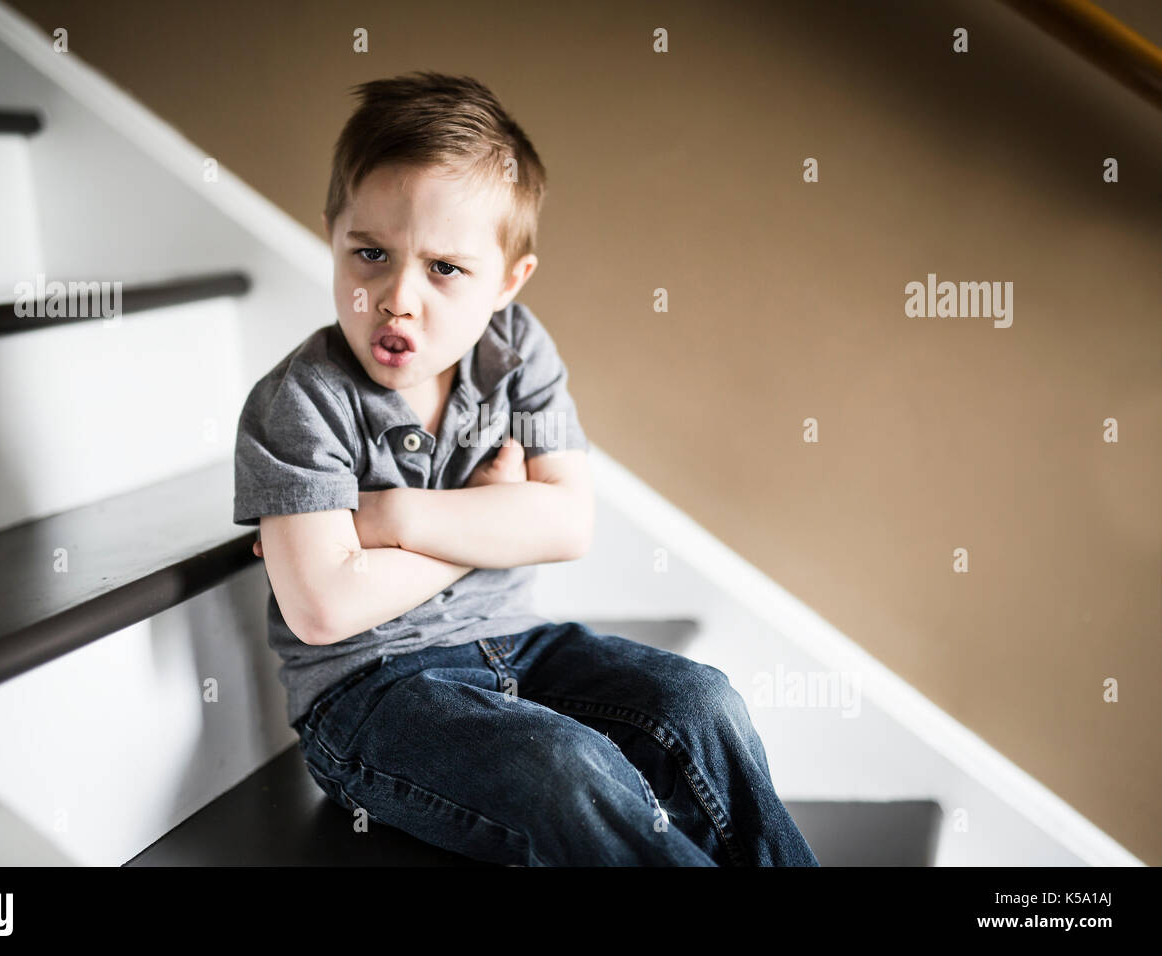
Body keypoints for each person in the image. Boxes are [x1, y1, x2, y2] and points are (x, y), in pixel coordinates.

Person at [233, 70, 819, 866]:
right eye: (369, 253)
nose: (396, 297)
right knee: (563, 765)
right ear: (331, 231)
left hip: (522, 646)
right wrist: (488, 515)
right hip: (371, 698)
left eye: (445, 268)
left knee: (698, 702)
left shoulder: (514, 351)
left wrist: (395, 518)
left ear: (507, 282)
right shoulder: (299, 401)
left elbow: (567, 523)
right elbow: (328, 607)